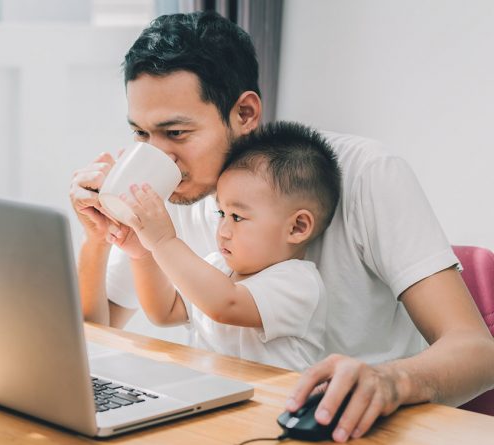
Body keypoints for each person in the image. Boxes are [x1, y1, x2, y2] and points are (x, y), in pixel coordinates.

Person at [69, 11, 494, 443]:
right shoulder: (169, 191)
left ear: (246, 112)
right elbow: (94, 334)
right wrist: (96, 239)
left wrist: (390, 381)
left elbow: (477, 353)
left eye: (176, 132)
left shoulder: (365, 172)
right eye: (140, 133)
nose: (158, 156)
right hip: (232, 424)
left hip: (356, 430)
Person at [117, 121, 340, 372]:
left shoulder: (297, 283)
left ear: (297, 227)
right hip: (213, 398)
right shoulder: (215, 267)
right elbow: (164, 312)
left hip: (272, 407)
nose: (222, 230)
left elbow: (226, 304)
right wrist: (142, 252)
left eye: (237, 217)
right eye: (220, 212)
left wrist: (164, 241)